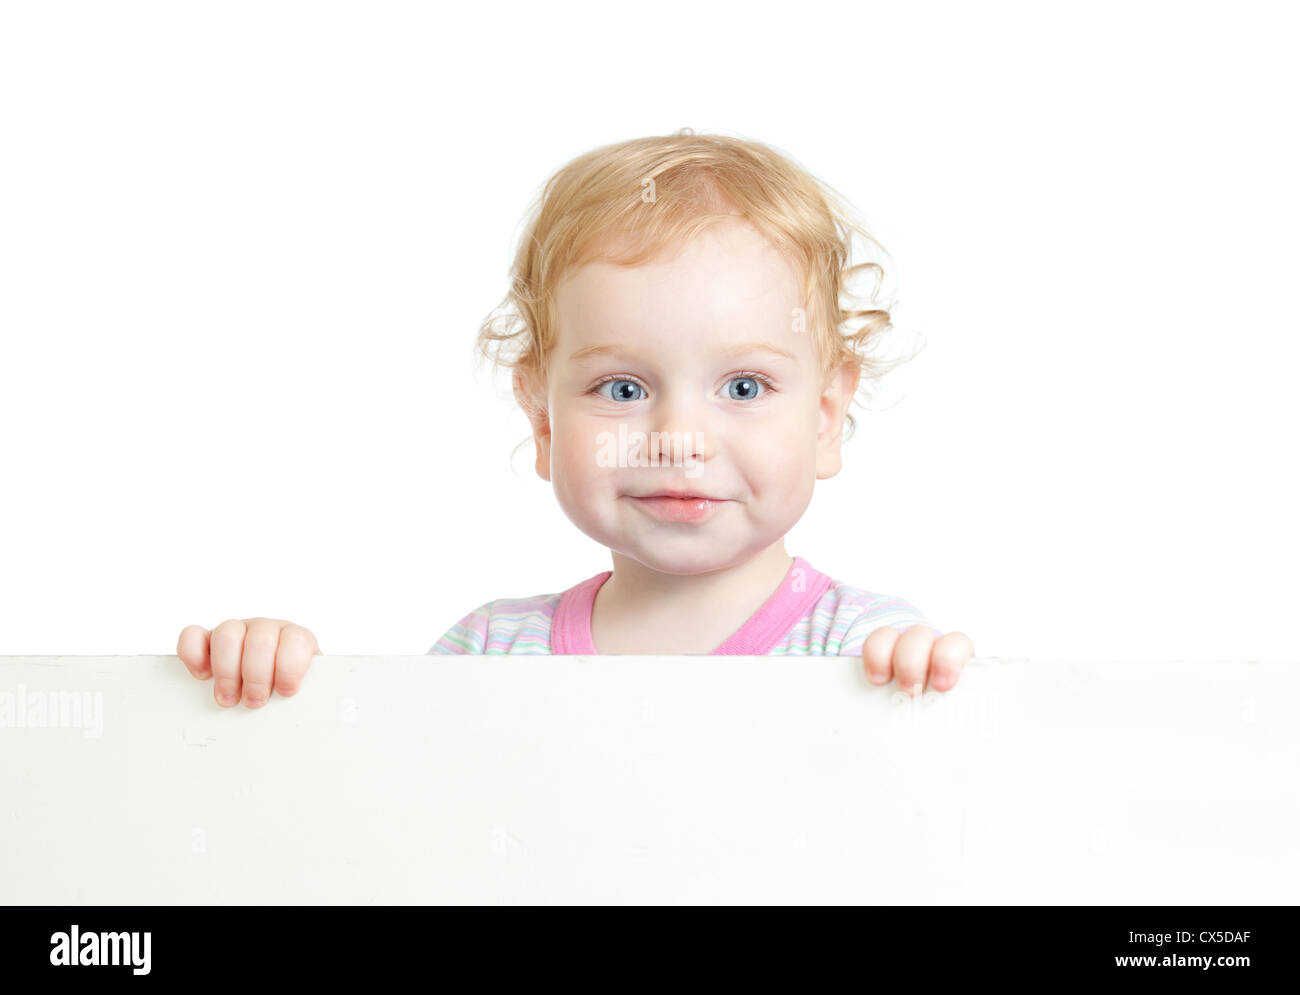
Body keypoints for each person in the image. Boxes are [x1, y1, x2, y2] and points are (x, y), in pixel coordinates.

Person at [176, 130, 975, 709]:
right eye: (623, 388)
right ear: (543, 419)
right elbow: (380, 817)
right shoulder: (489, 657)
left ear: (827, 416)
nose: (680, 440)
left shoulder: (866, 655)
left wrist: (929, 705)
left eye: (743, 386)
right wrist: (282, 692)